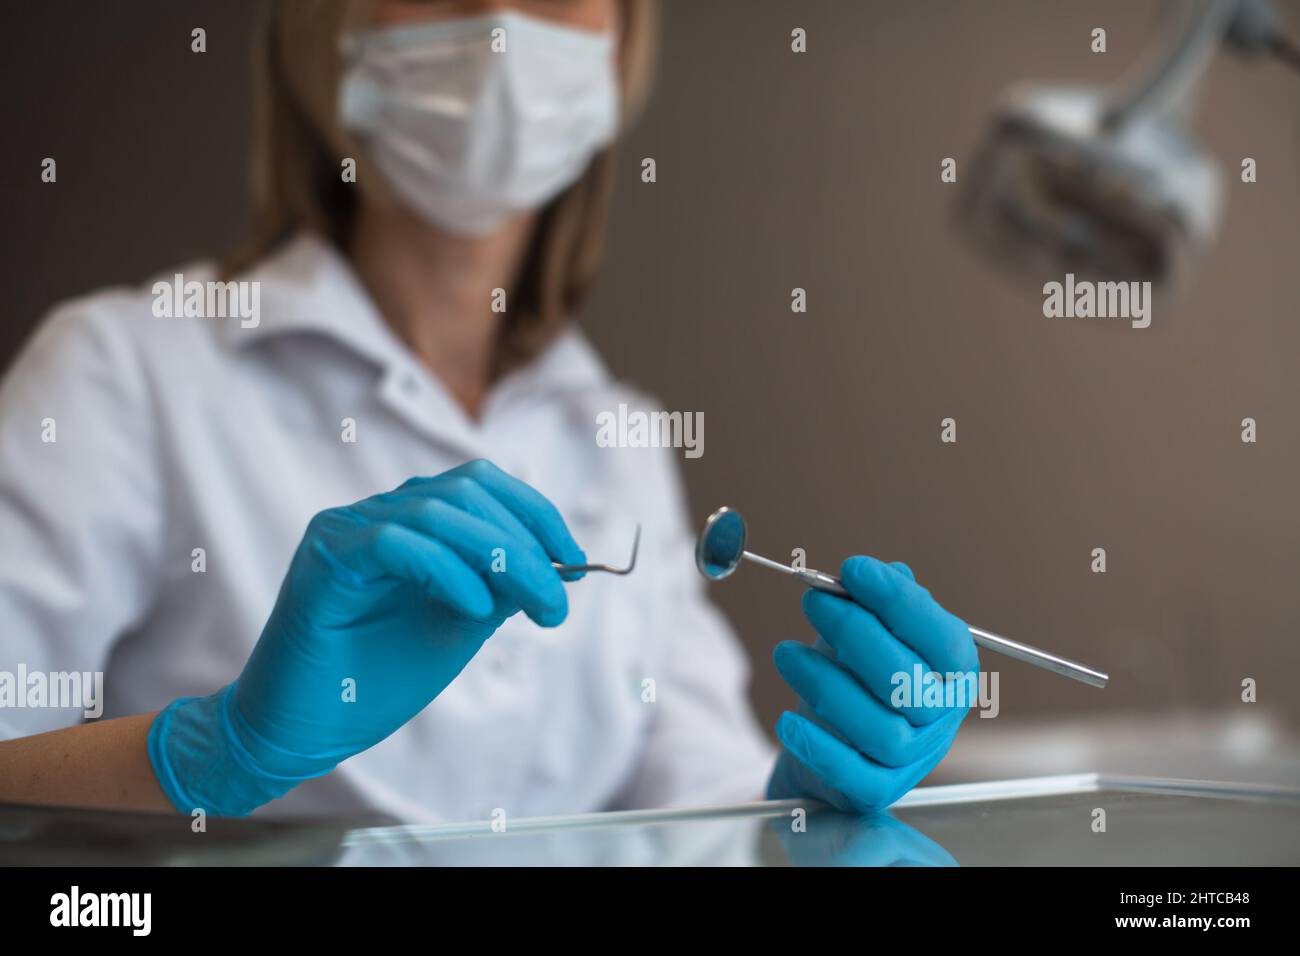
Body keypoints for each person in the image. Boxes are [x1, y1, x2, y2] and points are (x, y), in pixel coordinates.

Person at [0, 0, 977, 823]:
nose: (503, 25)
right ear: (324, 30)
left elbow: (700, 815)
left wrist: (804, 798)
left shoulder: (617, 436)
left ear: (621, 46)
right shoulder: (123, 371)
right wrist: (211, 754)